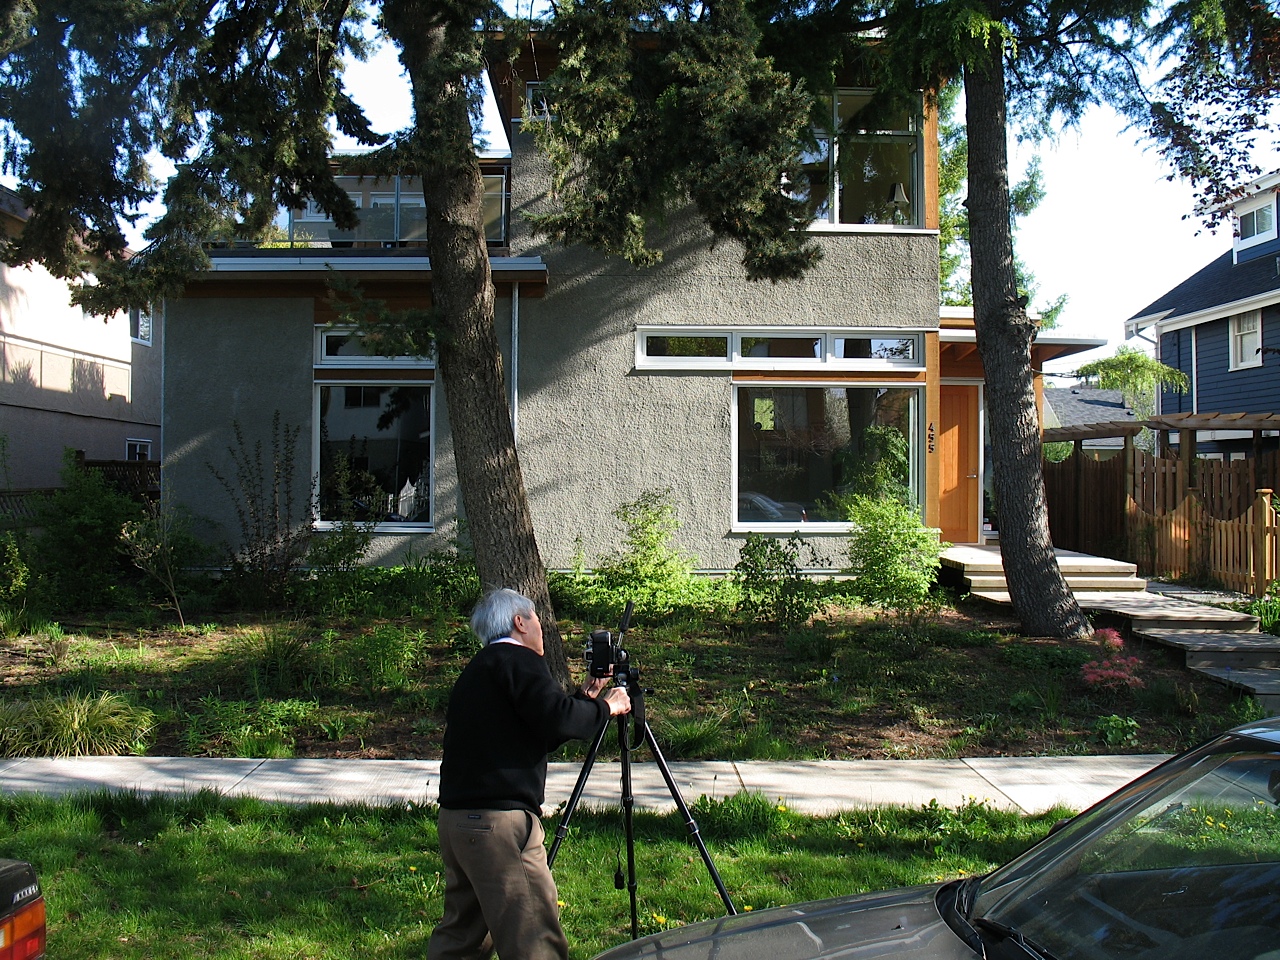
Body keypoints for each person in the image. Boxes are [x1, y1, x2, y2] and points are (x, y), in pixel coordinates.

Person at [427, 587, 632, 960]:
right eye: (537, 618)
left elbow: (541, 729)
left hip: (457, 822)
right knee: (534, 937)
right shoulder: (519, 659)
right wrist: (609, 707)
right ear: (520, 622)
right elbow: (558, 719)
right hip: (499, 827)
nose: (541, 627)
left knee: (461, 938)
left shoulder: (480, 668)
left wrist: (587, 697)